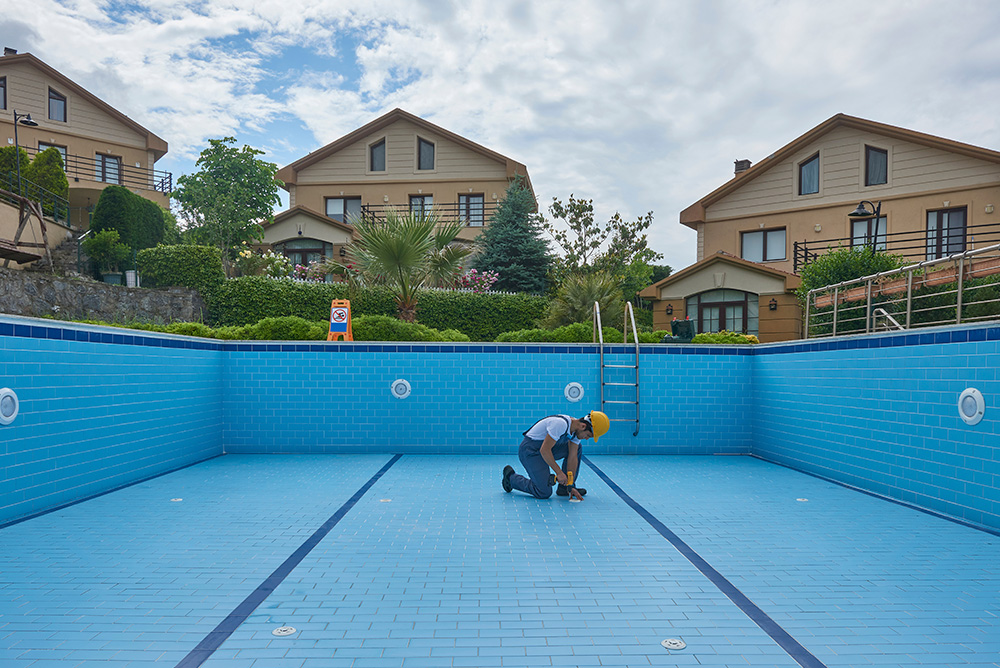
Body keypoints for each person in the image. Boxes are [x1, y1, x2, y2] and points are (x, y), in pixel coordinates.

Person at [501, 411, 609, 500]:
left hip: (547, 449)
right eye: (588, 435)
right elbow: (545, 450)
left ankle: (564, 488)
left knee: (577, 449)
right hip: (531, 451)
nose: (586, 438)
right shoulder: (560, 424)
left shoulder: (576, 430)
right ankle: (511, 478)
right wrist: (559, 473)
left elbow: (572, 456)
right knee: (543, 492)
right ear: (583, 426)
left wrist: (570, 484)